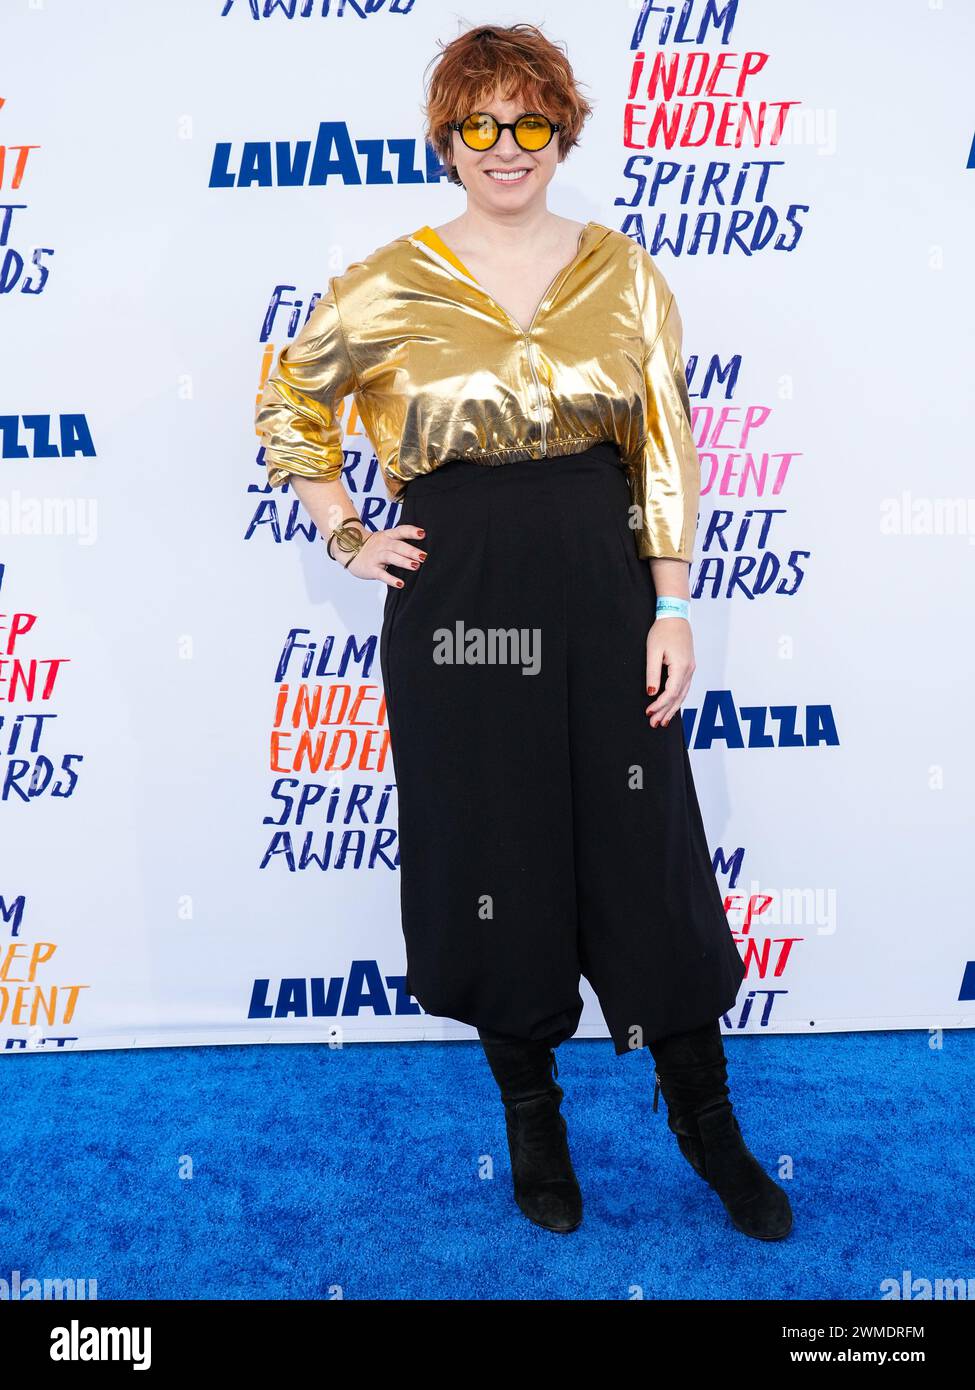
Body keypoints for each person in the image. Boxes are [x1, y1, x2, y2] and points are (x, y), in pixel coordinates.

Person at [254, 22, 792, 1243]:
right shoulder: (387, 281)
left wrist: (670, 603)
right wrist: (346, 531)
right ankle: (534, 1125)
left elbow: (664, 447)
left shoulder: (625, 273)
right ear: (448, 139)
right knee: (495, 852)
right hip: (459, 602)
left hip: (604, 591)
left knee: (642, 849)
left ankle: (709, 1126)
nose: (507, 148)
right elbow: (291, 401)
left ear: (563, 132)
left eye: (531, 123)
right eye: (481, 125)